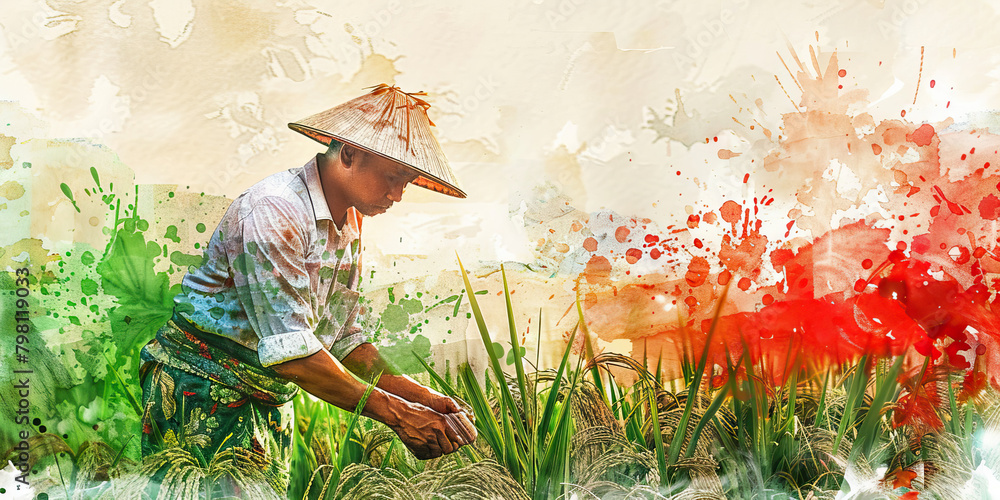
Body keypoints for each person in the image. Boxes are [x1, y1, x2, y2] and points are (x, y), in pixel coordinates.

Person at [137, 84, 476, 496]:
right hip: (201, 389)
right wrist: (398, 414)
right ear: (349, 153)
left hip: (269, 399)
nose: (398, 195)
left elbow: (343, 337)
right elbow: (292, 353)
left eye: (406, 182)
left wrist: (421, 398)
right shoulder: (275, 210)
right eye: (392, 177)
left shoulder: (350, 221)